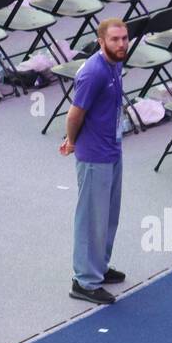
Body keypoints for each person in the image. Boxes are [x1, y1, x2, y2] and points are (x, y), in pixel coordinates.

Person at [60, 17, 128, 306]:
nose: (122, 43)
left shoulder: (116, 64)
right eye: (115, 39)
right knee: (91, 218)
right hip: (94, 157)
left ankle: (98, 265)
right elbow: (75, 114)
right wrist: (71, 141)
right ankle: (85, 281)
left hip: (112, 149)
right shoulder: (94, 73)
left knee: (108, 215)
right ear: (101, 41)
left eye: (125, 38)